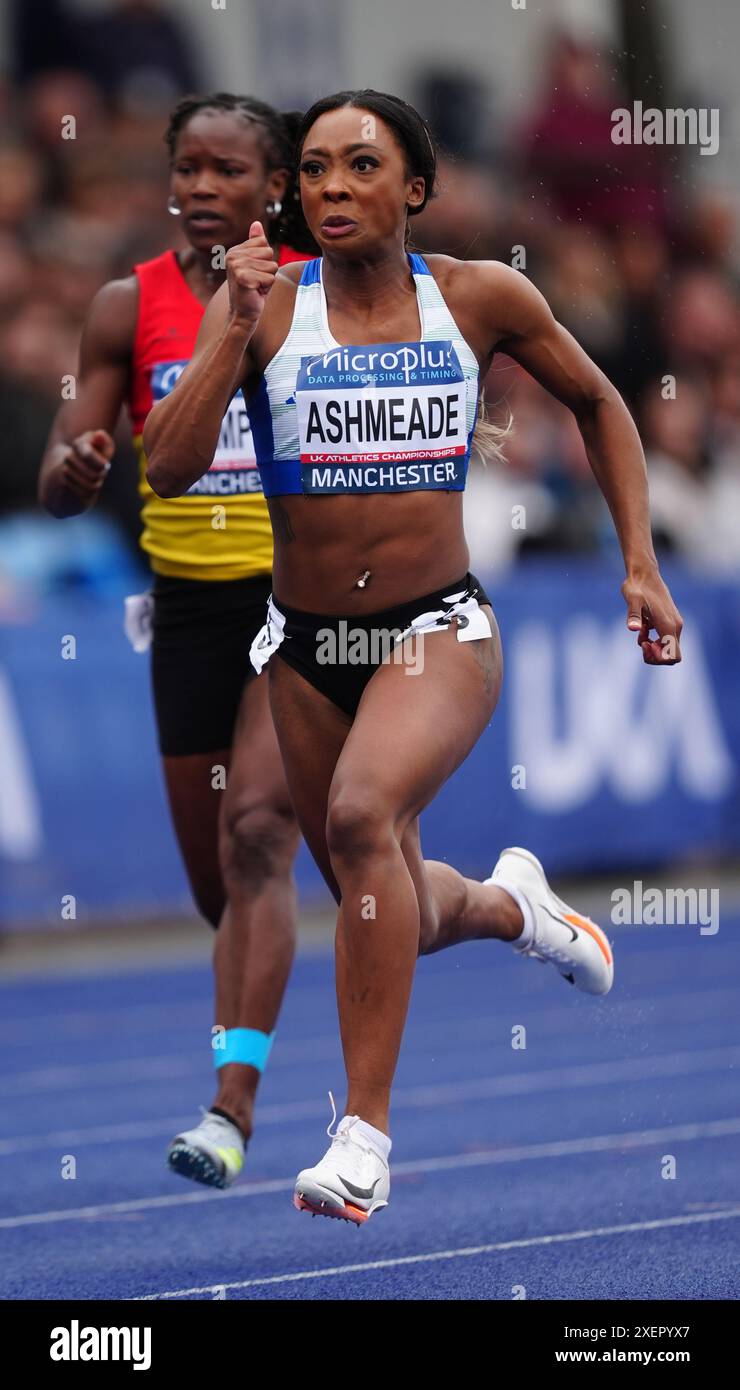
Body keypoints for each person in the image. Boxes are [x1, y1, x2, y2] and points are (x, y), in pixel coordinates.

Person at [143, 89, 683, 1225]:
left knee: (353, 820)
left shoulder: (480, 296)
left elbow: (597, 402)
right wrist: (230, 329)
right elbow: (168, 468)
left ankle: (362, 1138)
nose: (329, 188)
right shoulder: (266, 306)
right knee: (384, 903)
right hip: (302, 647)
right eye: (313, 172)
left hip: (436, 627)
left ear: (415, 188)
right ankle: (511, 909)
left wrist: (636, 561)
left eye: (359, 167)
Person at [38, 93, 314, 1190]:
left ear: (274, 188)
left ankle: (228, 1108)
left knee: (257, 835)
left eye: (229, 172)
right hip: (187, 610)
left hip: (293, 599)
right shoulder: (125, 305)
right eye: (187, 169)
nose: (202, 189)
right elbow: (63, 469)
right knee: (223, 894)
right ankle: (497, 905)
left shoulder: (316, 292)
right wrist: (70, 472)